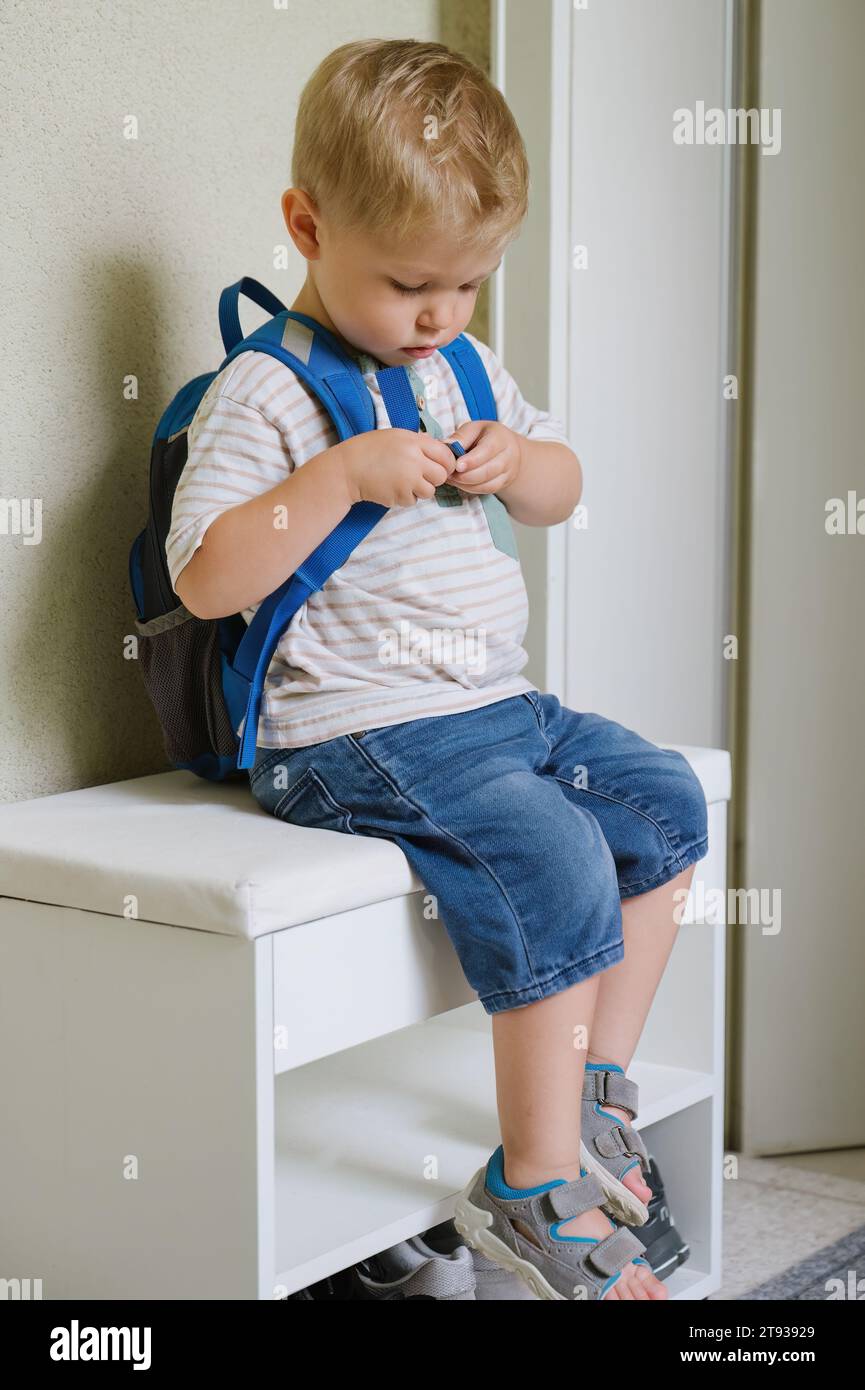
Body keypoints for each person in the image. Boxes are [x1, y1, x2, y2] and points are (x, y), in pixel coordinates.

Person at [167, 37, 709, 1301]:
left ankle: (587, 1105)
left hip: (497, 706)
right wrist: (337, 476)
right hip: (356, 732)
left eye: (470, 284)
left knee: (663, 803)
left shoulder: (459, 364)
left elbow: (563, 483)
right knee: (560, 855)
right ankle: (527, 1189)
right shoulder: (270, 389)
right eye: (411, 282)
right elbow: (204, 576)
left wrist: (516, 464)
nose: (439, 314)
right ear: (307, 224)